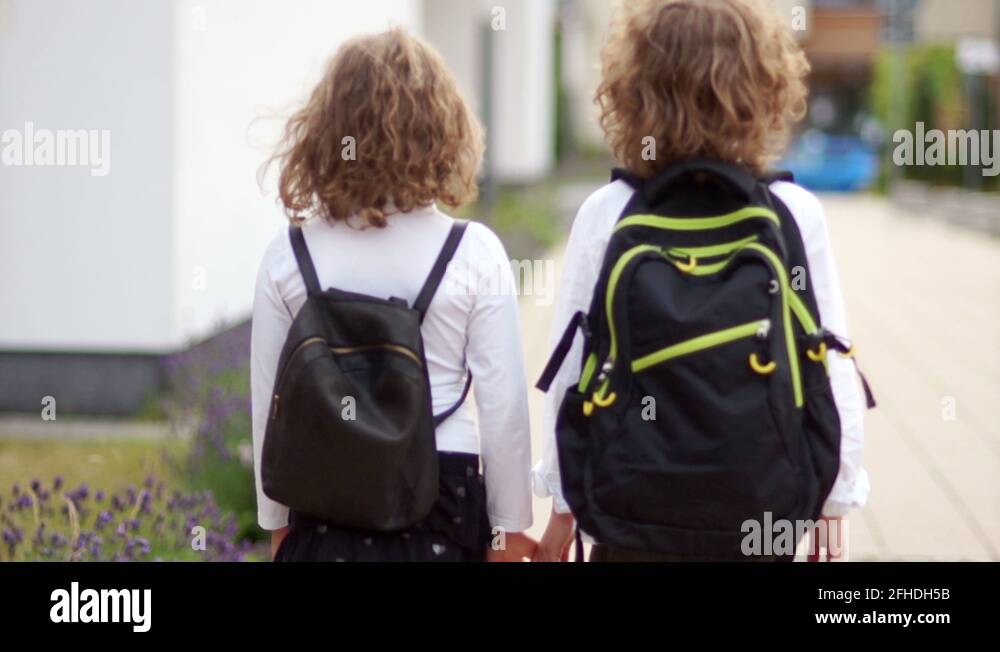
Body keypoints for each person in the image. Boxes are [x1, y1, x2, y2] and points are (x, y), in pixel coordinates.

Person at [532, 0, 869, 562]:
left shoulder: (610, 211)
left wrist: (563, 508)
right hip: (763, 512)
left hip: (629, 514)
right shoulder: (791, 211)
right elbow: (831, 363)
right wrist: (835, 502)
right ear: (762, 86)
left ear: (633, 89)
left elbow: (573, 369)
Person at [251, 28, 535, 562]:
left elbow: (273, 406)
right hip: (443, 495)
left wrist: (276, 525)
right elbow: (505, 414)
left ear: (326, 129)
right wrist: (509, 529)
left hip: (326, 495)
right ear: (444, 130)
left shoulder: (288, 256)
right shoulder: (474, 252)